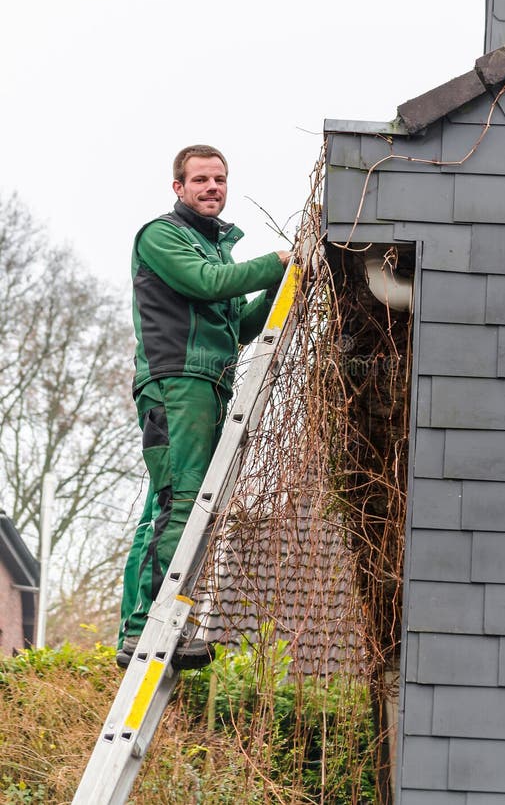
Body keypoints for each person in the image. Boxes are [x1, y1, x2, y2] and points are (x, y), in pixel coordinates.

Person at [117, 144, 291, 668]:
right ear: (179, 188)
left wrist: (278, 285)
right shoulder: (162, 236)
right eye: (200, 180)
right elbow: (204, 285)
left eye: (219, 179)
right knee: (182, 499)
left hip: (210, 382)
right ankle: (149, 625)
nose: (212, 187)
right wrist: (275, 261)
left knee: (168, 501)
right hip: (177, 381)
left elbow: (236, 328)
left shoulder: (220, 253)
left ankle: (143, 623)